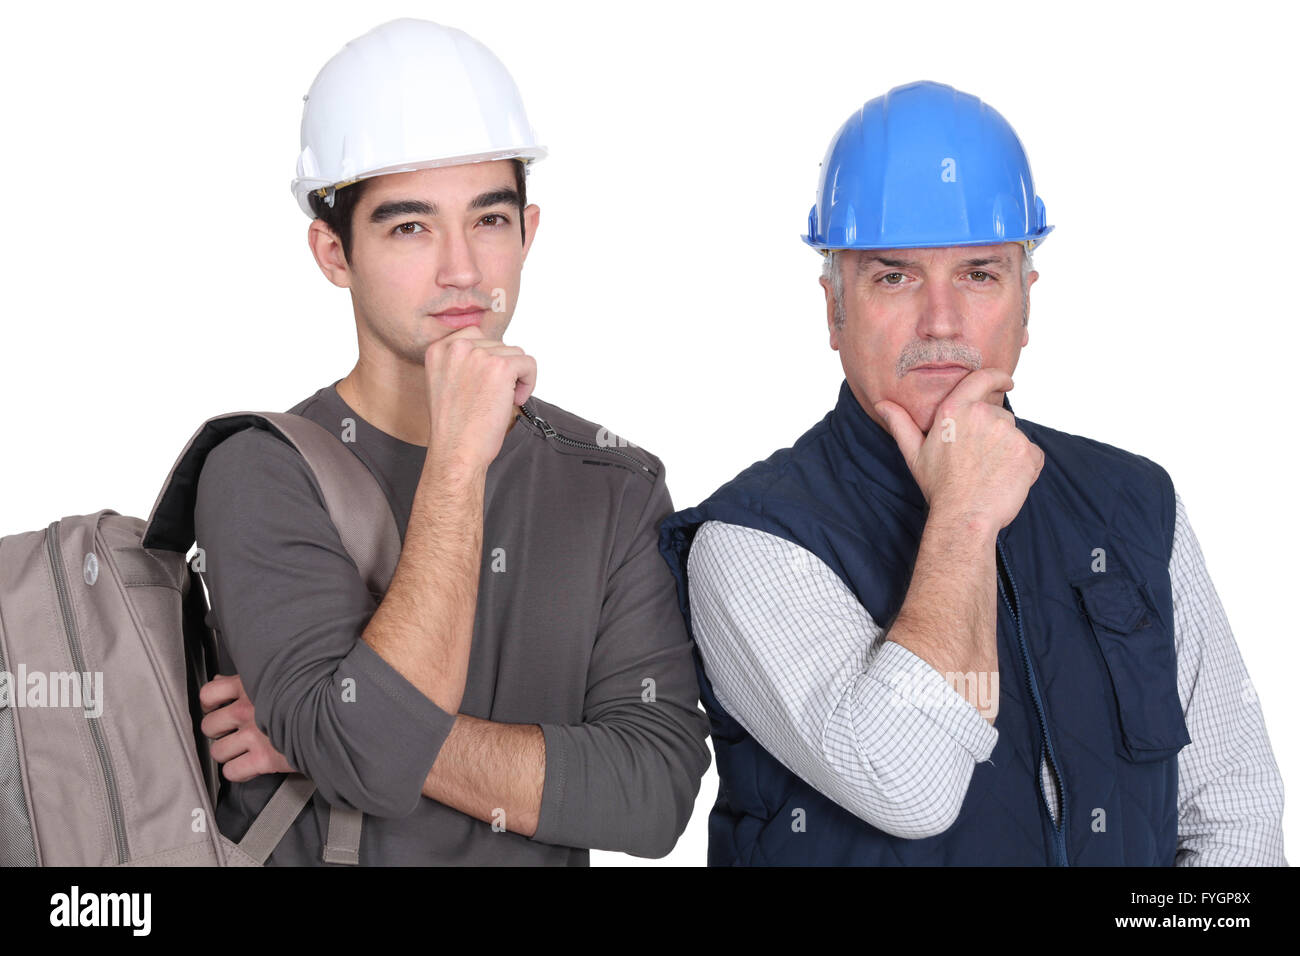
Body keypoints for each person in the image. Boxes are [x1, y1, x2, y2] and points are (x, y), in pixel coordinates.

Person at [658, 80, 1286, 866]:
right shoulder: (753, 540)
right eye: (895, 277)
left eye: (980, 275)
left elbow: (1238, 815)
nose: (943, 322)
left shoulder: (1135, 505)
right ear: (834, 310)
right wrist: (964, 515)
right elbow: (907, 785)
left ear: (1027, 301)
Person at [192, 18, 709, 865]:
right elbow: (365, 750)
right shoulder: (262, 471)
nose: (463, 268)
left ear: (528, 232)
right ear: (333, 252)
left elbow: (653, 797)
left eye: (490, 220)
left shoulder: (616, 482)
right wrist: (460, 459)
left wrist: (341, 735)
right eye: (409, 228)